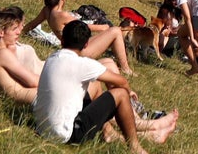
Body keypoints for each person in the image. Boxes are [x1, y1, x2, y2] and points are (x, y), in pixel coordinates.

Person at [33, 20, 177, 153]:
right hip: (66, 134)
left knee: (94, 83)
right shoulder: (82, 64)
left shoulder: (53, 58)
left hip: (41, 128)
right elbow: (122, 82)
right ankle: (134, 146)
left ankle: (108, 132)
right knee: (120, 94)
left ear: (62, 40)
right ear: (85, 45)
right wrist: (129, 92)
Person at [24, 0, 133, 77]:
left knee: (112, 33)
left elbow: (32, 24)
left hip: (71, 47)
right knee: (115, 31)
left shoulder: (46, 11)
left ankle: (120, 60)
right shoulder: (62, 15)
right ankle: (125, 68)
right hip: (79, 52)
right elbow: (85, 26)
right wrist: (103, 27)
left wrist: (22, 31)